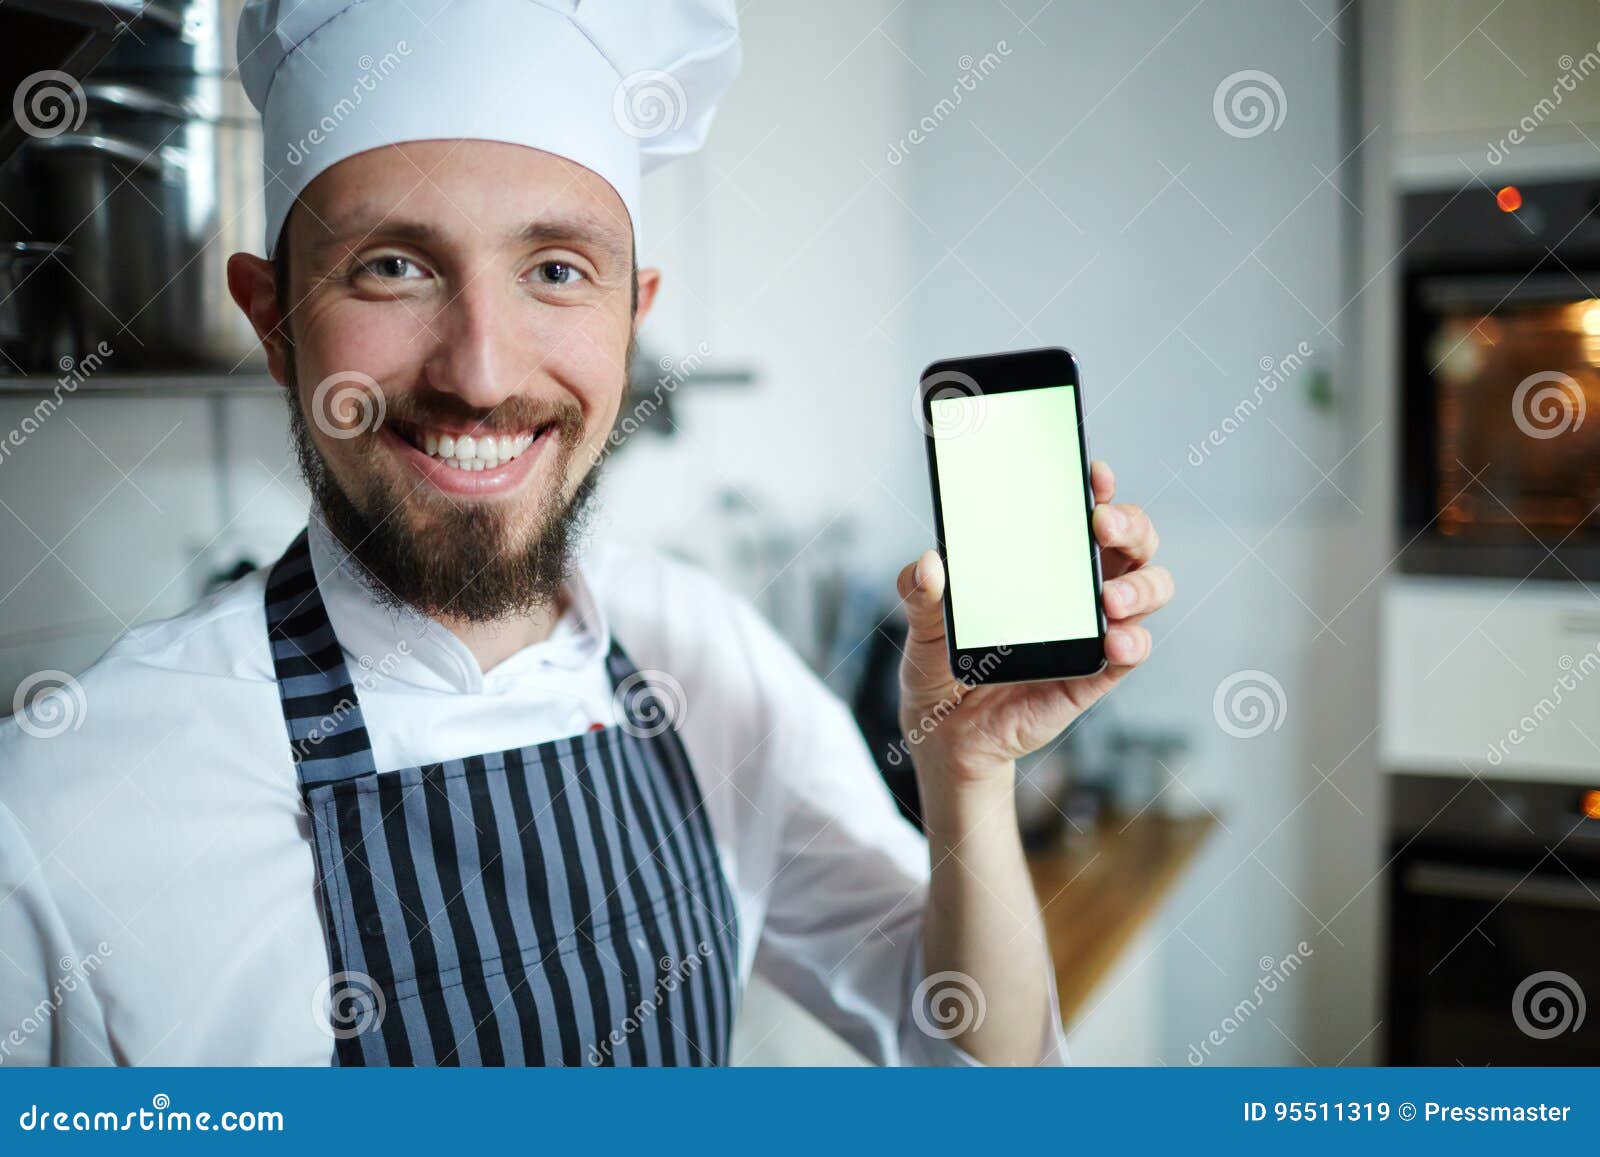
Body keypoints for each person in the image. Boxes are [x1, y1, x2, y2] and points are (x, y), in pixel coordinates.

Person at [0, 0, 1172, 1066]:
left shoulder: (703, 650)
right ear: (273, 318)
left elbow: (982, 1069)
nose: (479, 371)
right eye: (392, 266)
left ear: (630, 319)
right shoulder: (67, 807)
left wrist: (963, 774)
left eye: (555, 270)